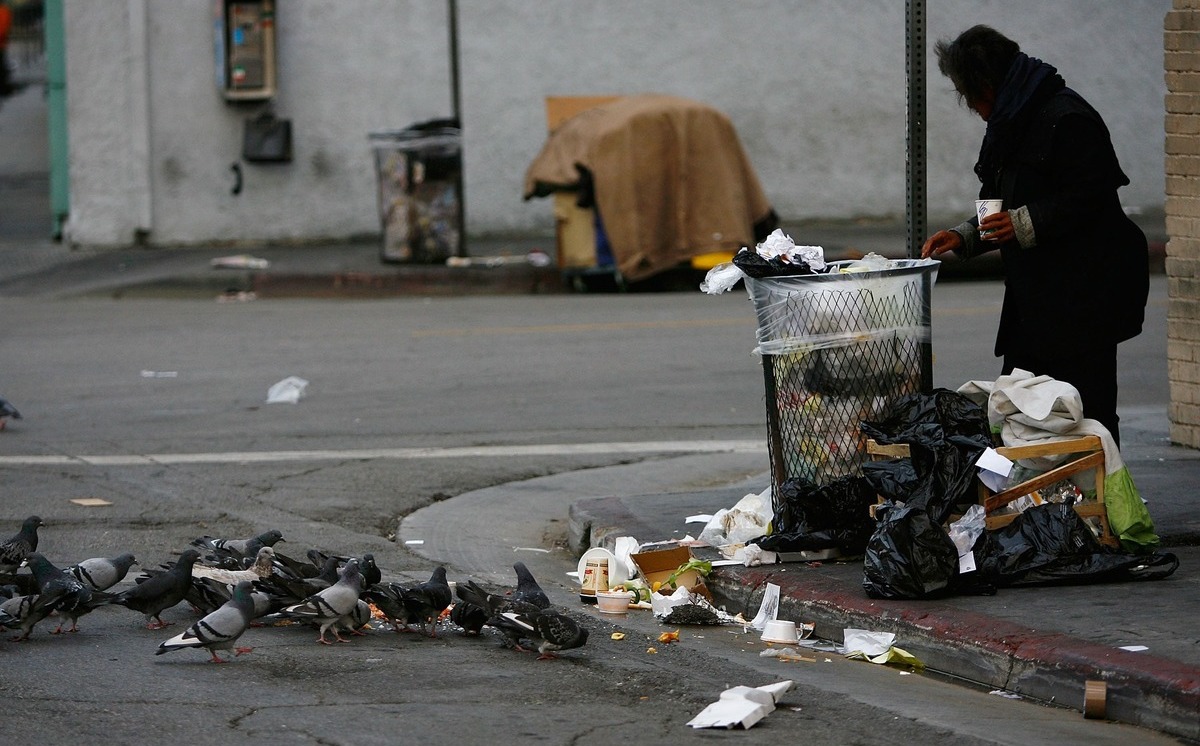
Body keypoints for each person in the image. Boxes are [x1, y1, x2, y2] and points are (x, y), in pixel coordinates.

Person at [921, 25, 1148, 447]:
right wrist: (965, 237)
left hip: (1084, 299)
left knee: (1087, 413)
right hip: (1034, 304)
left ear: (987, 85)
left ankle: (1099, 489)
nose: (971, 107)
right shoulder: (1008, 122)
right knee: (1018, 408)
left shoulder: (1067, 118)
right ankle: (1037, 487)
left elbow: (1092, 197)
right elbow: (999, 202)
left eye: (968, 95)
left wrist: (1025, 222)